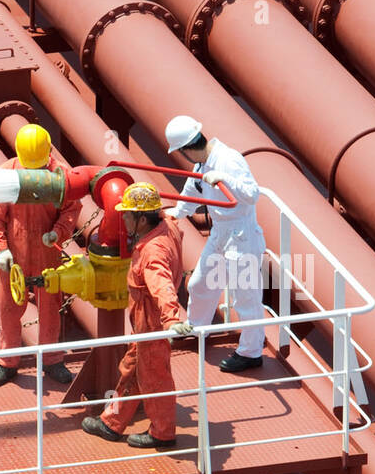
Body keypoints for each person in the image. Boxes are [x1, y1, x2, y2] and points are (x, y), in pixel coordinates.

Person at [82, 182, 193, 450]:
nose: (123, 218)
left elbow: (162, 286)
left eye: (127, 214)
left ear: (142, 219)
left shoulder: (152, 252)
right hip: (145, 325)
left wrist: (171, 320)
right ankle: (112, 423)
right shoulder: (166, 225)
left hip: (152, 323)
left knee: (155, 378)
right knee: (132, 370)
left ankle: (163, 434)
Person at [164, 114, 268, 373]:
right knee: (200, 283)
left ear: (188, 149)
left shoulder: (228, 160)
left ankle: (251, 353)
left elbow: (251, 194)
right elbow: (192, 191)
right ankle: (198, 329)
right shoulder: (201, 166)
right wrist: (176, 213)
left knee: (246, 296)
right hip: (221, 233)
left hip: (241, 236)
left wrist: (225, 178)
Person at [0, 123, 82, 388]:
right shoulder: (7, 174)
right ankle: (7, 363)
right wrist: (2, 248)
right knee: (8, 309)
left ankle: (52, 360)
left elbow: (71, 209)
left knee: (51, 309)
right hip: (12, 256)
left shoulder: (61, 174)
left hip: (47, 254)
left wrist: (58, 233)